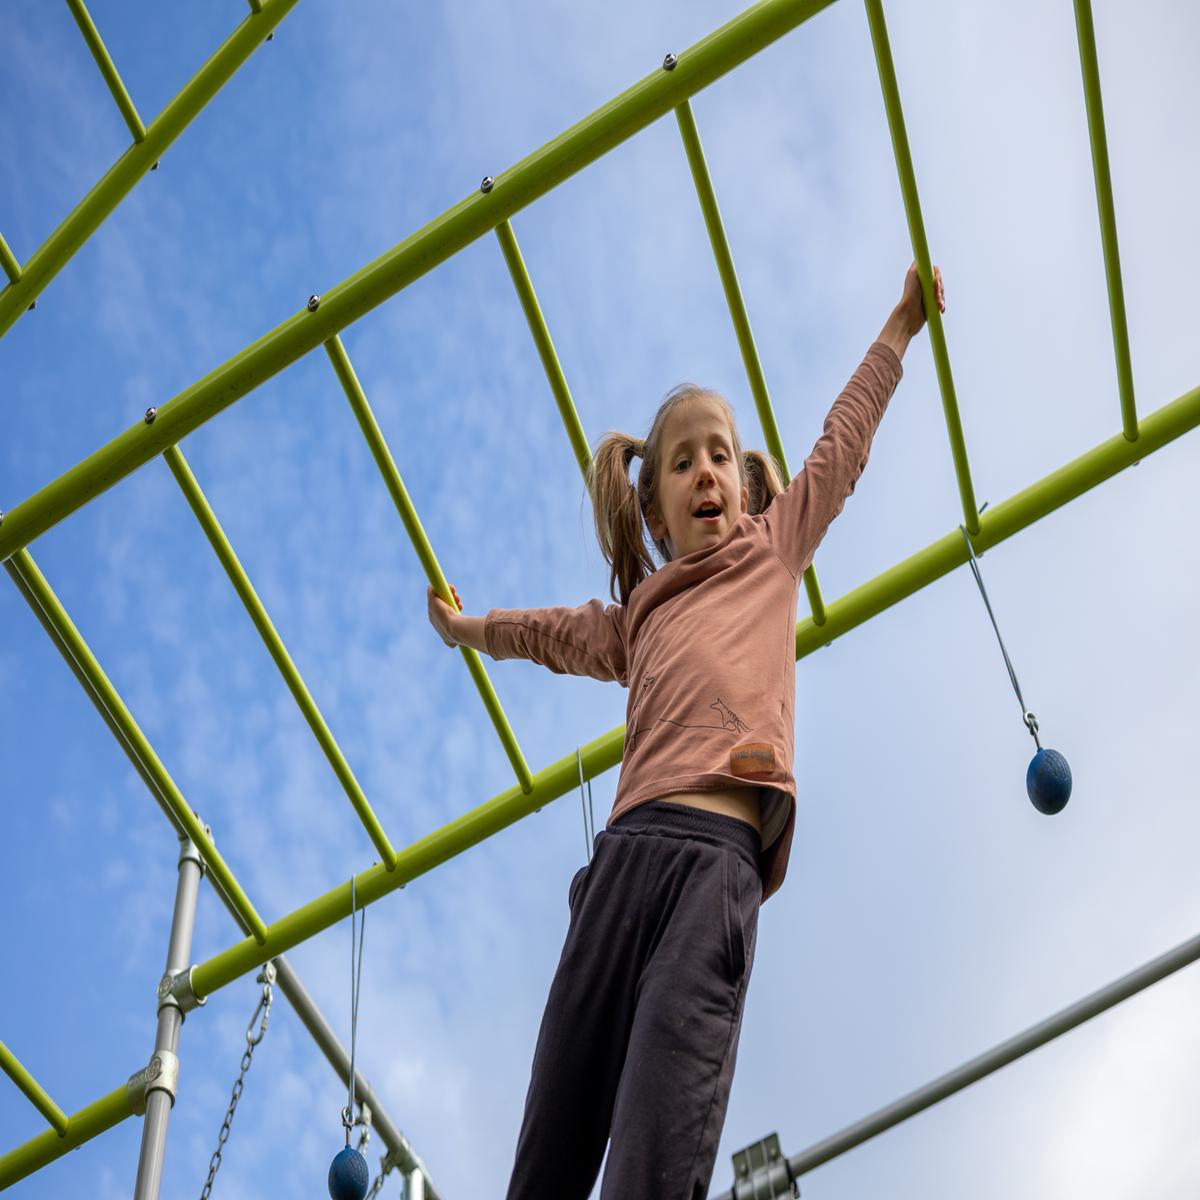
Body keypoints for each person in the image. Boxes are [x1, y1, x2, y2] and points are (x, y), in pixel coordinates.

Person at [427, 262, 946, 1199]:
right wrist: (469, 631)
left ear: (745, 490)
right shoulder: (637, 617)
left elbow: (842, 441)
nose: (706, 470)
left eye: (720, 455)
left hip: (715, 863)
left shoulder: (774, 550)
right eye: (682, 461)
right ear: (657, 512)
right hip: (623, 858)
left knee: (660, 1132)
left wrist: (899, 329)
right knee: (553, 1128)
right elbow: (546, 634)